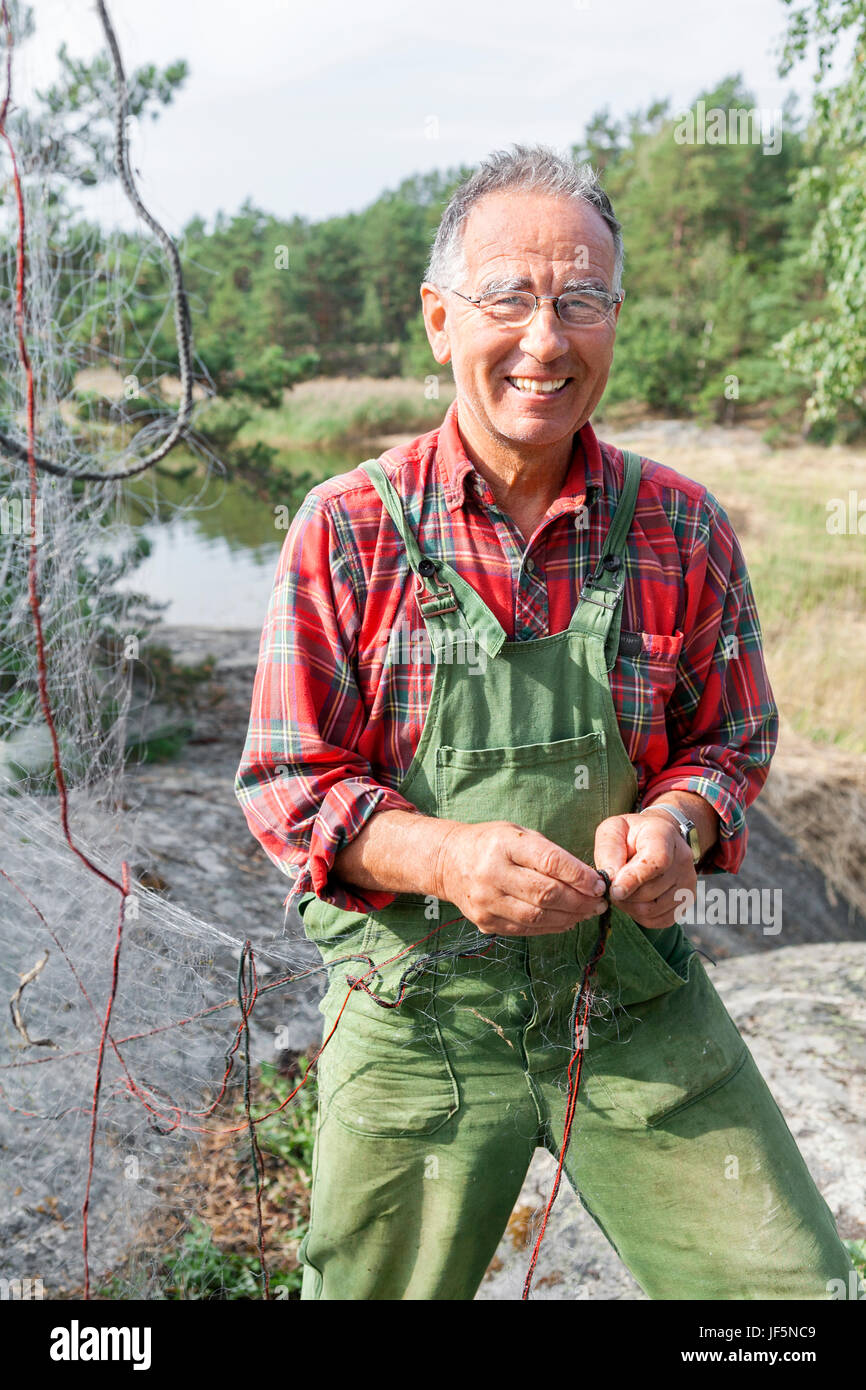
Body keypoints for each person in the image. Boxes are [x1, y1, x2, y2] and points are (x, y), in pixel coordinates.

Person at [235, 144, 856, 1301]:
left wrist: (676, 822)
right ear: (437, 319)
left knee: (792, 1297)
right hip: (416, 1019)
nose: (544, 338)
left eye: (580, 300)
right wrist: (445, 854)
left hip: (629, 1003)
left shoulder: (680, 525)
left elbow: (732, 738)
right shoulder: (345, 529)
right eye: (508, 297)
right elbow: (284, 779)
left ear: (613, 318)